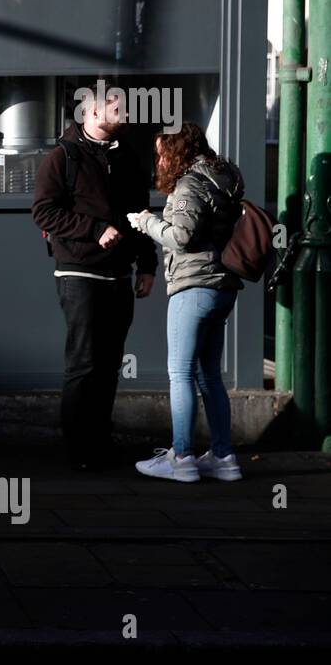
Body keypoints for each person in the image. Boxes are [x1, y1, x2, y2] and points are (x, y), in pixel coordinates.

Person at [31, 87, 158, 471]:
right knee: (84, 362)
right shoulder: (63, 157)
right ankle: (79, 449)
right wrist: (94, 229)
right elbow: (43, 212)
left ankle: (99, 441)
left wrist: (147, 264)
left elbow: (141, 214)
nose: (125, 113)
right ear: (90, 112)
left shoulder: (128, 157)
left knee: (108, 363)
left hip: (119, 274)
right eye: (116, 107)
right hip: (80, 271)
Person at [125, 122, 245, 482]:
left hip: (193, 286)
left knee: (180, 373)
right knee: (209, 374)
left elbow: (181, 237)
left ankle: (182, 457)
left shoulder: (189, 184)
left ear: (176, 151)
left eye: (162, 152)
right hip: (221, 286)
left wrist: (146, 222)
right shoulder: (224, 178)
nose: (158, 160)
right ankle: (223, 457)